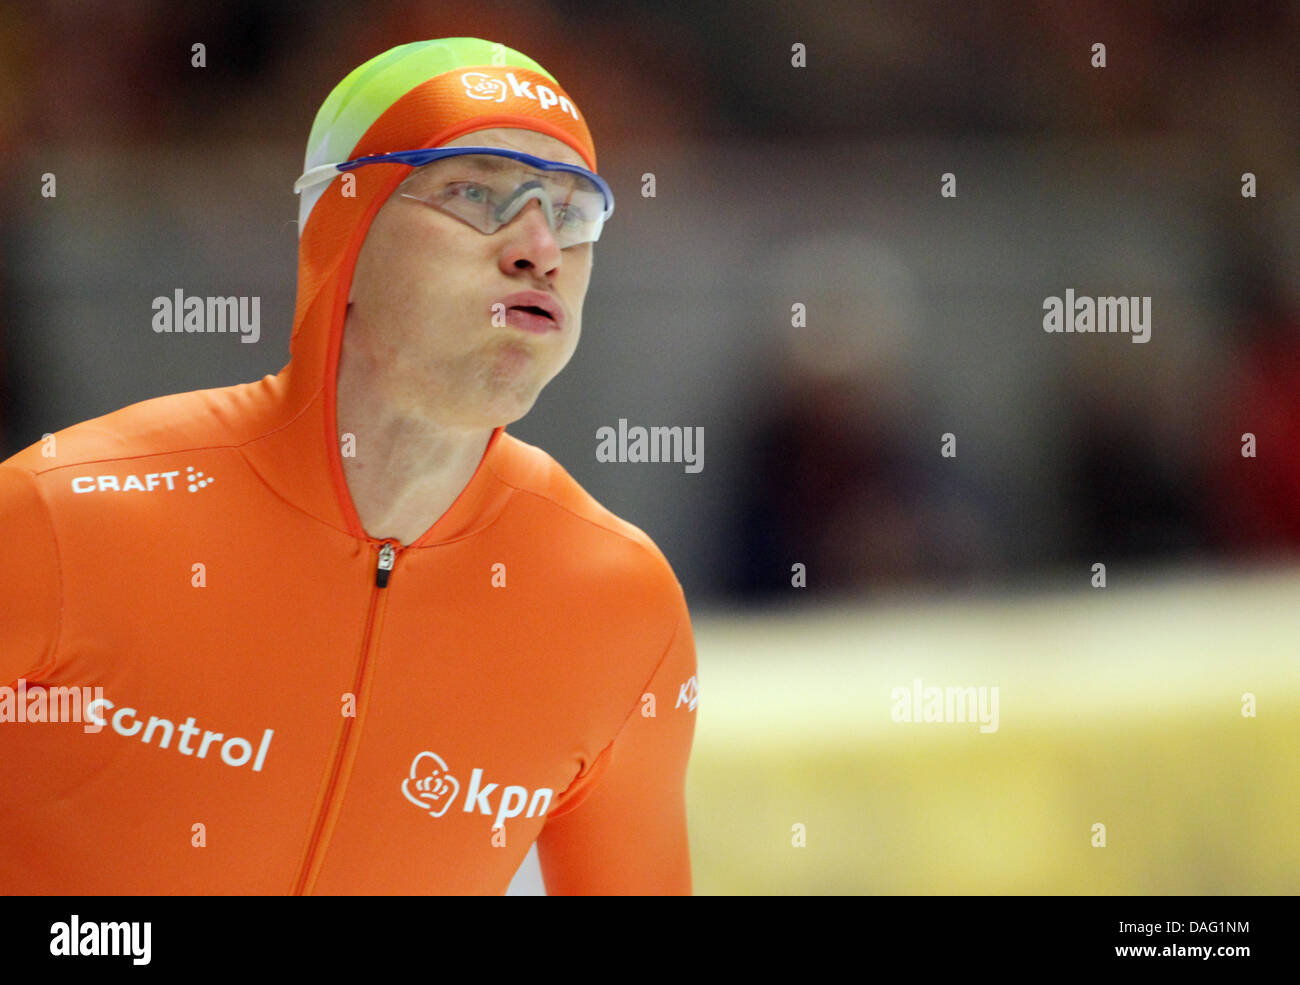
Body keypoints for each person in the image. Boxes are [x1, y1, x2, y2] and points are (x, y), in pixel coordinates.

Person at [0, 37, 698, 895]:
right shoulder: (62, 514)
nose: (539, 247)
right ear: (342, 229)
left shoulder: (620, 603)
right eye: (475, 191)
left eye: (571, 209)